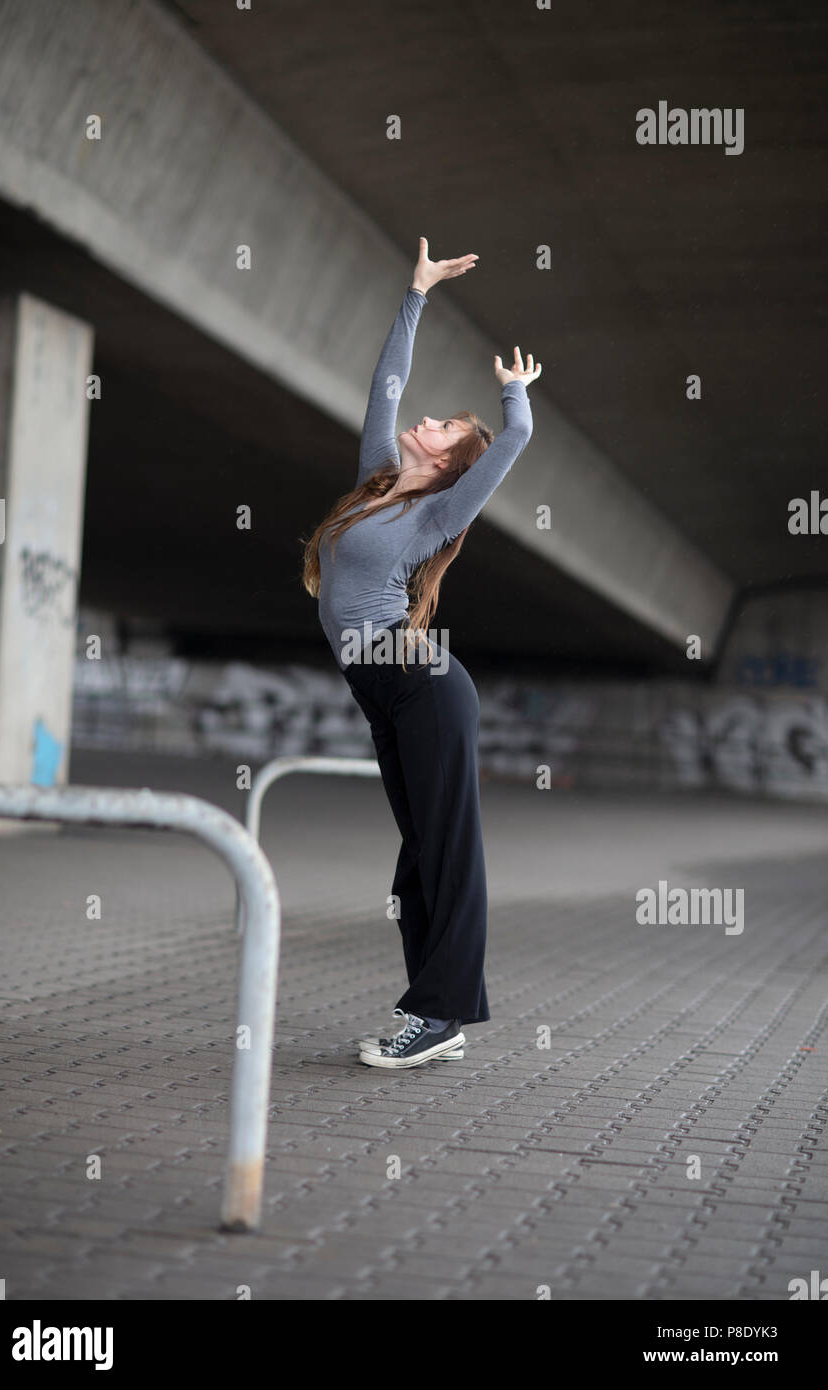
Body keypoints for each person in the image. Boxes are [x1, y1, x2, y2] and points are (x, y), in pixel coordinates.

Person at [302, 236, 540, 1068]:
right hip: (387, 692)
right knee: (416, 862)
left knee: (445, 850)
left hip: (422, 683)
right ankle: (434, 1016)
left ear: (445, 465)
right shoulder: (376, 485)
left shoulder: (437, 514)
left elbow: (510, 447)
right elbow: (385, 387)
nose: (427, 421)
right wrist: (416, 295)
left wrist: (514, 401)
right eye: (436, 418)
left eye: (442, 427)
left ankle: (437, 1017)